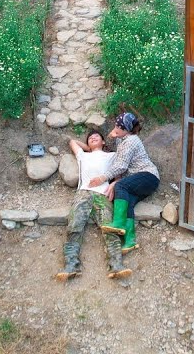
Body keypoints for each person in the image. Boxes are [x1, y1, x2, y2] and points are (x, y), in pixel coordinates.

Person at [56, 129, 131, 281]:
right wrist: (89, 148)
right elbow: (73, 142)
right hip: (83, 193)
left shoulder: (111, 155)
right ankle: (71, 266)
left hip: (103, 195)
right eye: (90, 138)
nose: (93, 137)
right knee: (74, 226)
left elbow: (118, 174)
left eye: (97, 136)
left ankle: (116, 265)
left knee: (110, 227)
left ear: (104, 142)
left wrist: (114, 184)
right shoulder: (83, 156)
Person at [88, 112, 159, 253]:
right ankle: (130, 240)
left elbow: (121, 166)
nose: (115, 127)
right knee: (128, 203)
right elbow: (111, 149)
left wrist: (103, 178)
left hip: (147, 175)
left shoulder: (131, 142)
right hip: (143, 180)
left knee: (120, 186)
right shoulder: (124, 139)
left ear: (125, 129)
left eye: (117, 126)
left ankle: (118, 223)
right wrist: (112, 136)